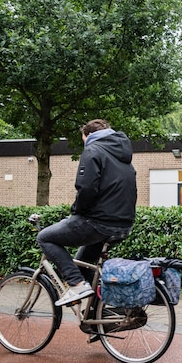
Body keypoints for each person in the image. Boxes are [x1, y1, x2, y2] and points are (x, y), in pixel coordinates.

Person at [37, 119, 137, 307]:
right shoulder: (124, 157)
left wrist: (76, 211)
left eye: (83, 138)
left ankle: (76, 284)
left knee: (45, 237)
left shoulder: (93, 150)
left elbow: (87, 188)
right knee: (84, 264)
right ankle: (95, 316)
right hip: (123, 224)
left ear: (89, 135)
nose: (84, 142)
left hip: (98, 222)